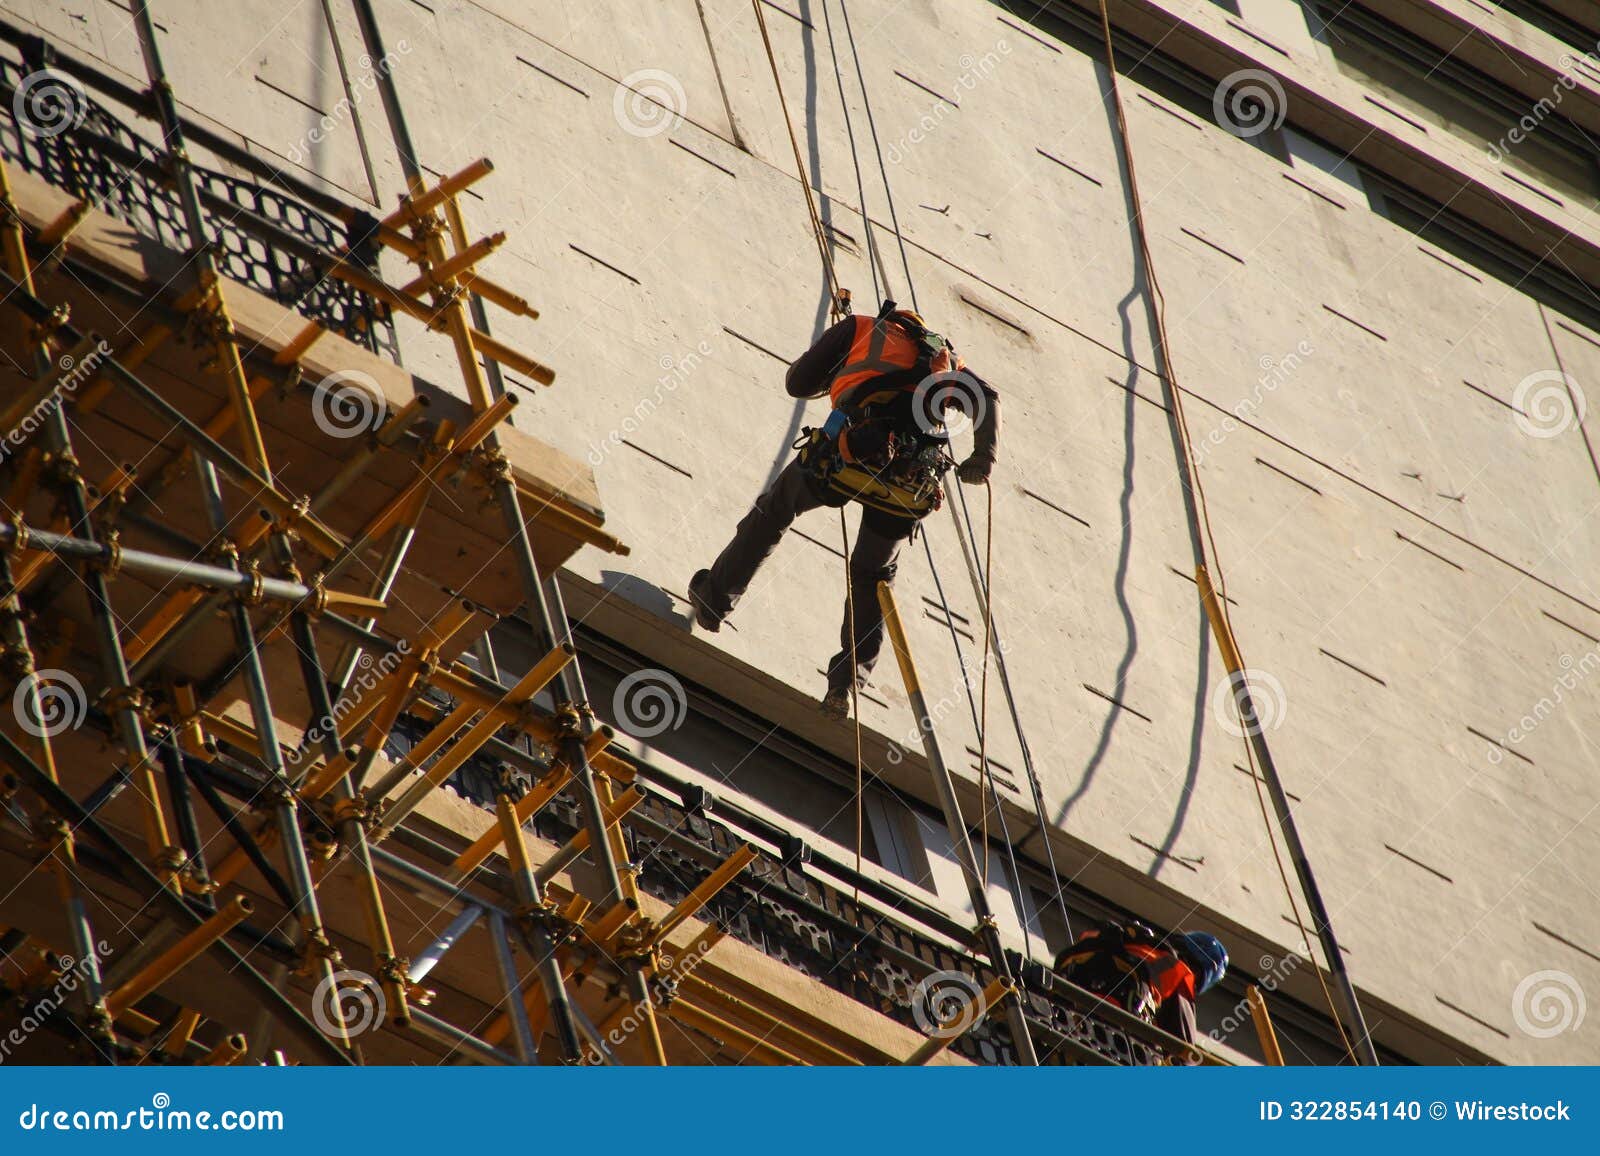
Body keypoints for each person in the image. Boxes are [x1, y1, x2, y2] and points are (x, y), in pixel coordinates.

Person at [687, 304, 1000, 719]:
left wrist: (835, 373)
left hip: (849, 455)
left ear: (895, 321)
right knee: (874, 573)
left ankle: (714, 602)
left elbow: (797, 383)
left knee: (776, 510)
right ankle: (847, 684)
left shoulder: (863, 329)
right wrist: (983, 458)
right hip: (909, 480)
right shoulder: (948, 359)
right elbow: (987, 397)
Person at [1054, 920, 1228, 1050]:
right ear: (1200, 975)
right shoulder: (1180, 972)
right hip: (1113, 1025)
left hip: (1062, 1002)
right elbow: (1182, 1050)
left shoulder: (1133, 944)